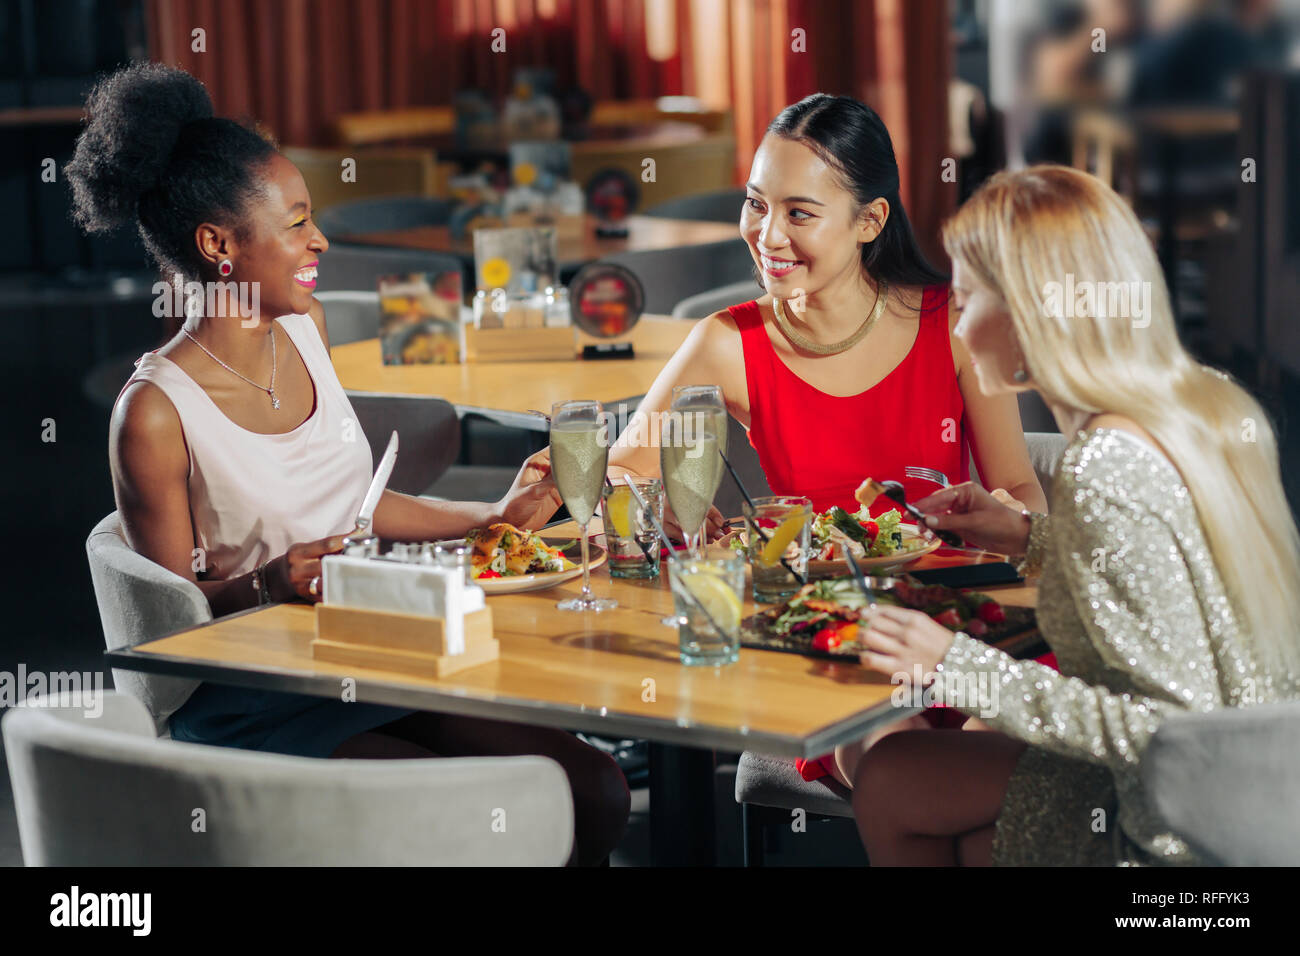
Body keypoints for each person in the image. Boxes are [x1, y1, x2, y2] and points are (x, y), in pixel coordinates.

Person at [68, 62, 626, 865]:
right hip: (259, 701)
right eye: (296, 224)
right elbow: (169, 623)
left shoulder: (306, 328)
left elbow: (353, 507)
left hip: (370, 655)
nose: (319, 241)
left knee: (594, 786)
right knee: (487, 815)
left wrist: (492, 518)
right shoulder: (153, 413)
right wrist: (268, 583)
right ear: (219, 246)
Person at [528, 93, 1048, 786]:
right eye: (756, 204)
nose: (768, 236)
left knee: (993, 769)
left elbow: (1019, 490)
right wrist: (649, 503)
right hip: (825, 643)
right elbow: (621, 468)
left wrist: (1006, 524)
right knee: (905, 765)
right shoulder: (728, 342)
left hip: (968, 624)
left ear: (871, 220)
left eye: (799, 213)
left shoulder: (950, 322)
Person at [851, 165, 1300, 865]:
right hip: (1269, 797)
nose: (959, 327)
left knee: (893, 784)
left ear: (1032, 312)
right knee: (914, 771)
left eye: (967, 301)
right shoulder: (1208, 405)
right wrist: (1031, 538)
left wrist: (955, 664)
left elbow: (1168, 730)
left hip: (1179, 825)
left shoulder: (1104, 468)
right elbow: (1183, 582)